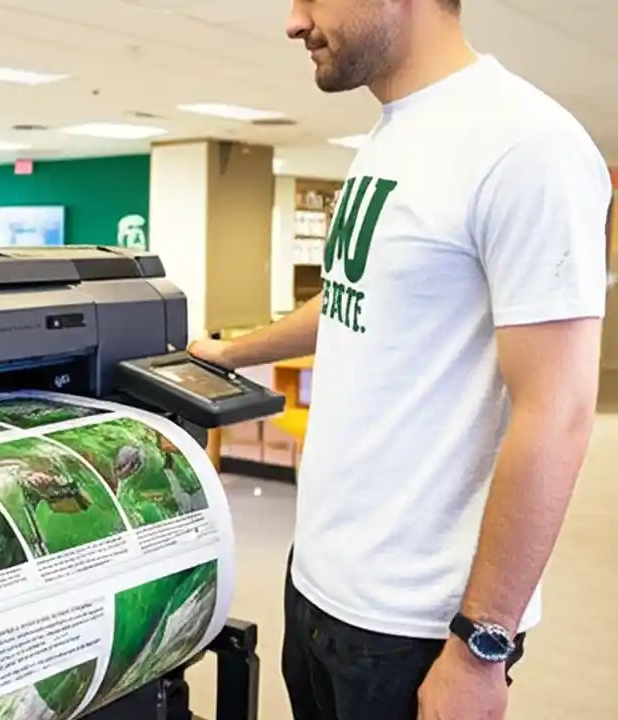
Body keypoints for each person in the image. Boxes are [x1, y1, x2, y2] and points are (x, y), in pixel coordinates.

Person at [188, 1, 611, 718]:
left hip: (416, 626)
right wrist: (232, 351)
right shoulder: (391, 137)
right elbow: (351, 295)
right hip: (321, 583)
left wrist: (482, 644)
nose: (295, 21)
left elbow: (560, 414)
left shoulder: (527, 144)